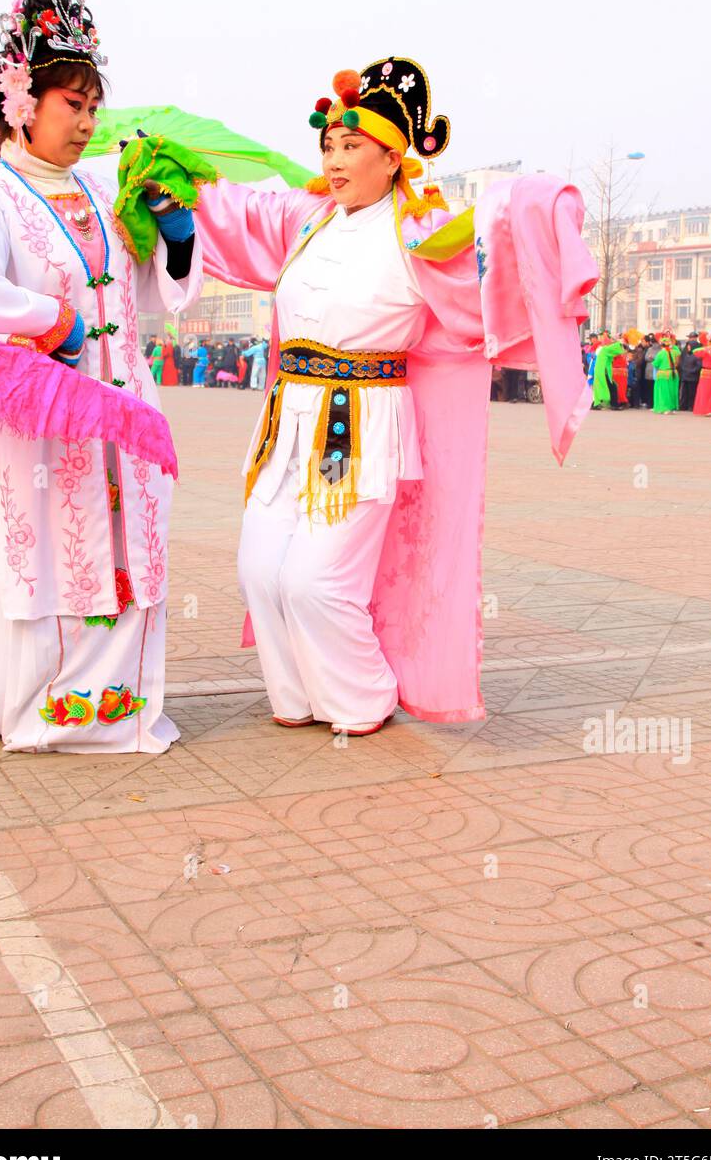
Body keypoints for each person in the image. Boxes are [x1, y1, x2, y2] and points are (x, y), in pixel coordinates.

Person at [188, 58, 596, 734]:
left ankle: (363, 699)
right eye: (329, 146)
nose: (335, 158)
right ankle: (297, 699)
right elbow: (233, 209)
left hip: (358, 424)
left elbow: (492, 242)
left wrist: (538, 204)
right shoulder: (306, 218)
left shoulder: (421, 230)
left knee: (316, 582)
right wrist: (168, 171)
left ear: (391, 157)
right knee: (259, 570)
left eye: (352, 146)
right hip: (286, 420)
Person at [0, 0, 202, 753]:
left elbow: (150, 294)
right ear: (21, 102)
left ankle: (125, 707)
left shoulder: (104, 187)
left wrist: (173, 235)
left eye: (92, 107)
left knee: (126, 550)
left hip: (123, 414)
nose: (87, 123)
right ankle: (43, 712)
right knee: (53, 554)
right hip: (42, 420)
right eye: (71, 105)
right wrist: (53, 320)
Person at [653, 334, 680, 413]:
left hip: (663, 374)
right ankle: (673, 407)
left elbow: (656, 364)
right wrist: (673, 345)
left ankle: (664, 407)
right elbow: (678, 356)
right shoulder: (674, 352)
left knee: (663, 392)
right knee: (673, 391)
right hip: (674, 373)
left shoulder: (660, 353)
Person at [679, 332, 701, 410]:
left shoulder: (699, 348)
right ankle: (683, 405)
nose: (689, 339)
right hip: (685, 374)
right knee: (684, 392)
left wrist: (692, 371)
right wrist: (683, 369)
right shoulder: (686, 348)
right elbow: (681, 360)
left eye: (691, 337)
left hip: (693, 375)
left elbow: (699, 364)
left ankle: (691, 406)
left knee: (692, 392)